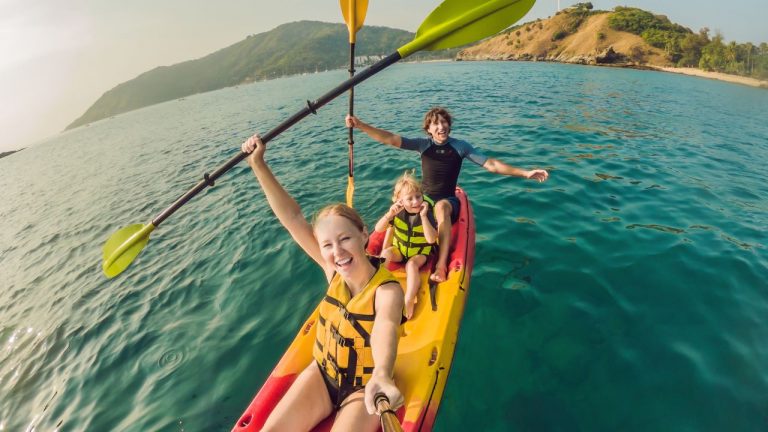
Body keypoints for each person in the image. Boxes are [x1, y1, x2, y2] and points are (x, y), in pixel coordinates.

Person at [241, 133, 404, 432]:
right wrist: (258, 165)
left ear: (363, 234)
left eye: (345, 239)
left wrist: (382, 373)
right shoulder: (332, 272)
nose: (337, 252)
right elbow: (292, 218)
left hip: (364, 387)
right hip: (322, 375)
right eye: (327, 244)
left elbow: (385, 328)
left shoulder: (388, 291)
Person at [346, 107, 549, 283]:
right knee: (399, 206)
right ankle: (381, 256)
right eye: (435, 124)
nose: (441, 126)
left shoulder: (460, 146)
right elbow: (390, 139)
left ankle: (441, 265)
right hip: (423, 198)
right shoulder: (423, 145)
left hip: (448, 200)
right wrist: (360, 125)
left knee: (441, 207)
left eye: (444, 122)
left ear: (449, 125)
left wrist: (525, 173)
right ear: (428, 129)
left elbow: (492, 165)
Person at [374, 171, 437, 319]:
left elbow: (431, 240)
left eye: (418, 197)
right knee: (386, 254)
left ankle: (409, 299)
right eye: (410, 199)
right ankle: (376, 286)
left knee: (411, 265)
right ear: (400, 201)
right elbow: (378, 229)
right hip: (400, 250)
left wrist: (423, 217)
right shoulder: (396, 212)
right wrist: (389, 215)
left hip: (420, 252)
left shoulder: (425, 212)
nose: (416, 202)